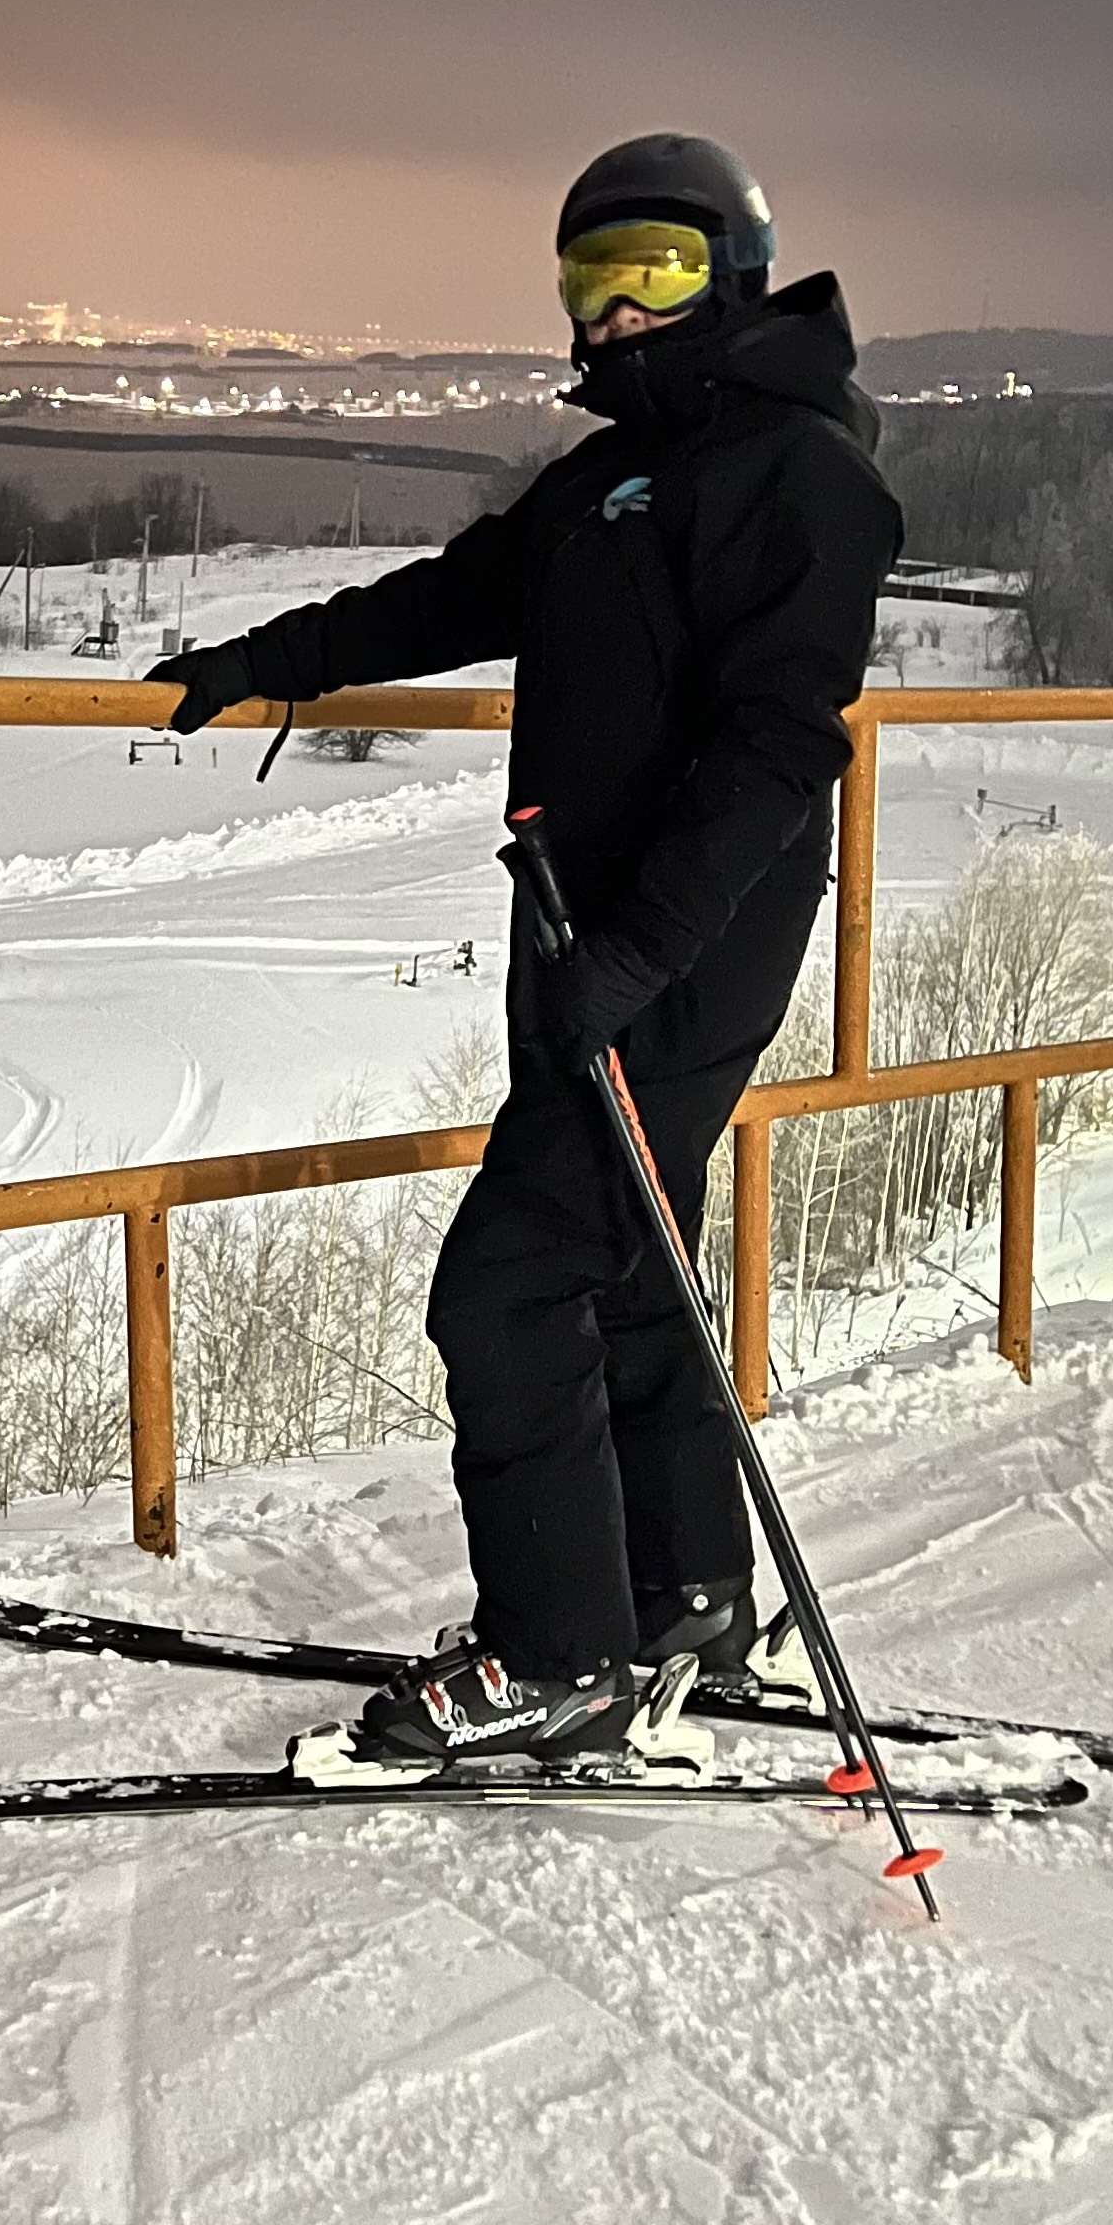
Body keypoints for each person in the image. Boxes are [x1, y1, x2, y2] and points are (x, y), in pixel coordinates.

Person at [151, 132, 902, 1763]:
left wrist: (634, 956)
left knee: (504, 1285)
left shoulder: (802, 477)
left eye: (659, 272)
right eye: (591, 279)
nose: (620, 314)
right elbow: (449, 598)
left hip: (682, 940)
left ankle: (556, 1653)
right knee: (625, 1257)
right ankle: (683, 1593)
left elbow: (782, 749)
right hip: (583, 932)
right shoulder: (603, 481)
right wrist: (269, 661)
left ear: (737, 275)